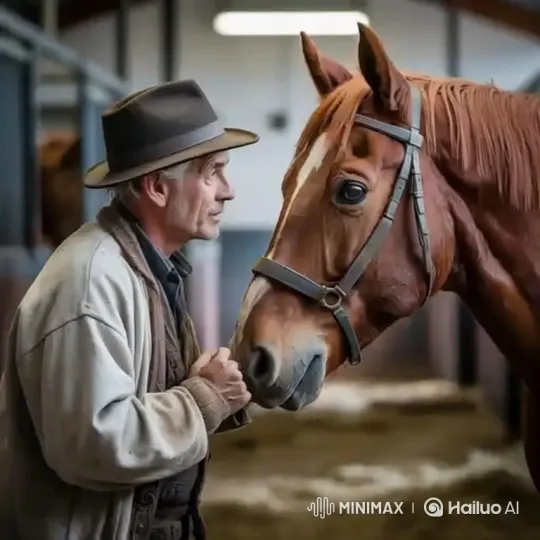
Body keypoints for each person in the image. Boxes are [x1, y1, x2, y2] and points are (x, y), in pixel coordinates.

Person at [0, 79, 259, 540]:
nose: (228, 191)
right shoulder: (89, 285)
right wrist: (202, 401)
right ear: (158, 187)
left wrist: (209, 392)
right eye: (213, 172)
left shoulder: (152, 269)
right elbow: (93, 444)